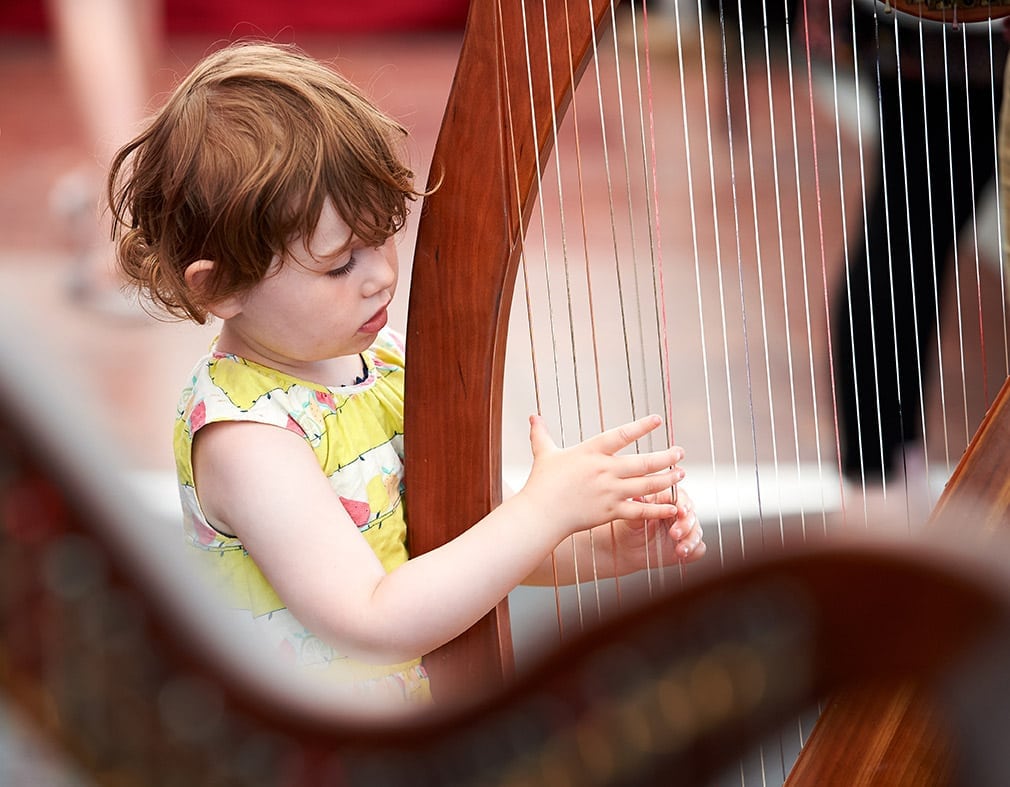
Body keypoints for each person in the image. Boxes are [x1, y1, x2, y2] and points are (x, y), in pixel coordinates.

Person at [106, 41, 706, 707]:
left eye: (383, 235)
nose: (382, 276)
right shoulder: (248, 438)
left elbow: (459, 552)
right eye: (340, 263)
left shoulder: (381, 357)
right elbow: (372, 617)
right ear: (221, 288)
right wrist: (542, 509)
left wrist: (597, 547)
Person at [815, 3, 1008, 502]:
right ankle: (873, 465)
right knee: (905, 231)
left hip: (973, 38)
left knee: (923, 238)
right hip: (928, 31)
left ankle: (893, 450)